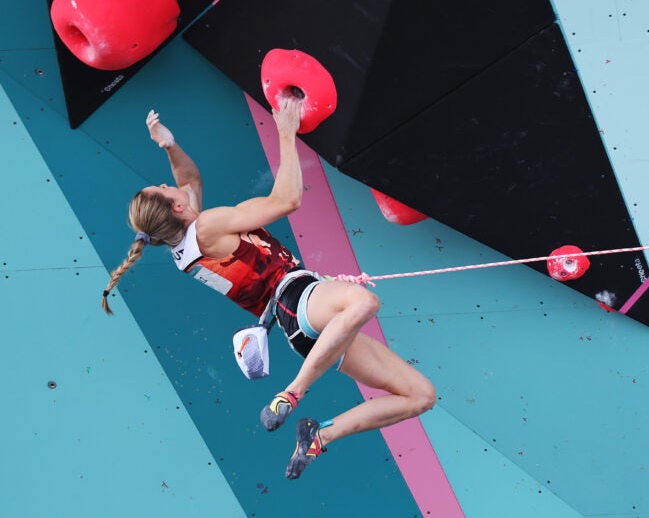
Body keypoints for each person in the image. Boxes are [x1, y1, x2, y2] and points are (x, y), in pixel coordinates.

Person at [102, 97, 436, 479]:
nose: (168, 183)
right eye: (164, 189)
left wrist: (169, 146)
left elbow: (188, 181)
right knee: (363, 302)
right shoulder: (208, 226)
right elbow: (287, 199)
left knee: (420, 396)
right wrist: (286, 133)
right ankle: (293, 392)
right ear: (176, 209)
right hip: (294, 299)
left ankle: (320, 437)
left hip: (300, 331)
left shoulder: (184, 244)